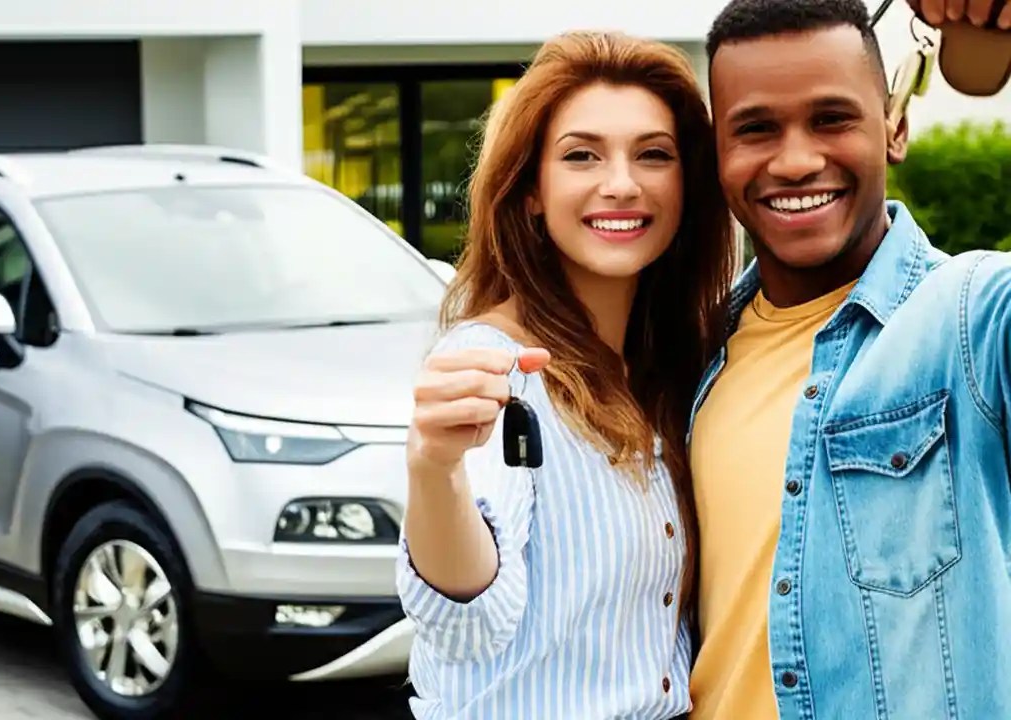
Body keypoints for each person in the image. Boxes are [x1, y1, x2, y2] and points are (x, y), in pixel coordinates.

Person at [395, 30, 737, 719]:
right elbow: (468, 623)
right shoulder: (498, 364)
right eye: (582, 155)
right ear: (531, 190)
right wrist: (435, 470)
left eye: (654, 154)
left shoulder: (681, 365)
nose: (622, 184)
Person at [688, 1, 1011, 718]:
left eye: (832, 119)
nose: (796, 161)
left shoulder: (975, 315)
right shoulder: (692, 358)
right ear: (717, 157)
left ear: (895, 127)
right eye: (755, 129)